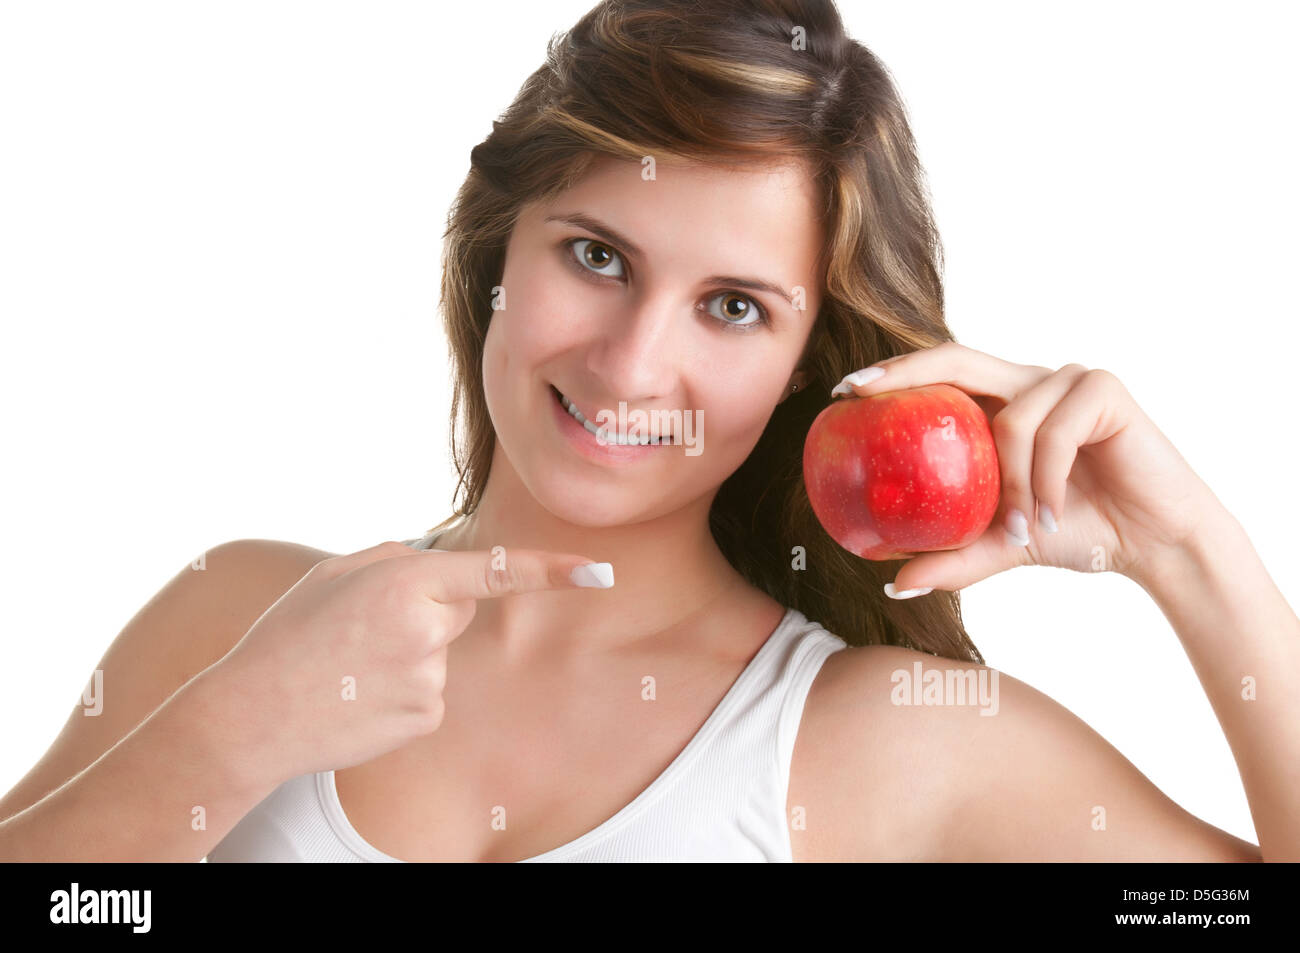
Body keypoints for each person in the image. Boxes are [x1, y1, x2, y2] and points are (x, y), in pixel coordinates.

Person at [2, 0, 1294, 863]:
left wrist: (1189, 551)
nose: (632, 360)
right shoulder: (233, 615)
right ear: (497, 245)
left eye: (734, 306)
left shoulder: (892, 741)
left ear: (807, 363)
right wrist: (230, 731)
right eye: (596, 253)